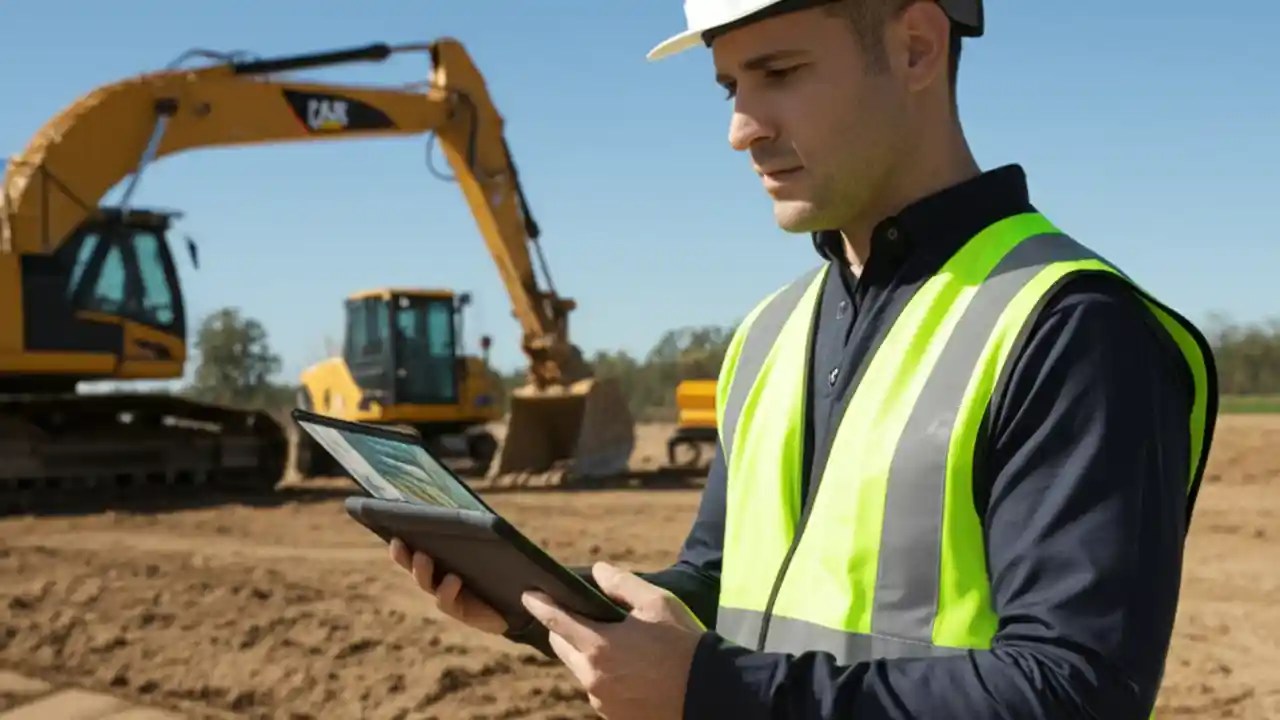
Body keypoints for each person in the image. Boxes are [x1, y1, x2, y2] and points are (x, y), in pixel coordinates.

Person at [389, 0, 1220, 717]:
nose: (740, 129)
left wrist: (714, 695)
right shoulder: (770, 332)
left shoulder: (1068, 324)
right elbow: (721, 587)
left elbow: (1074, 692)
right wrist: (541, 604)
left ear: (916, 48)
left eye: (778, 72)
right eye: (730, 87)